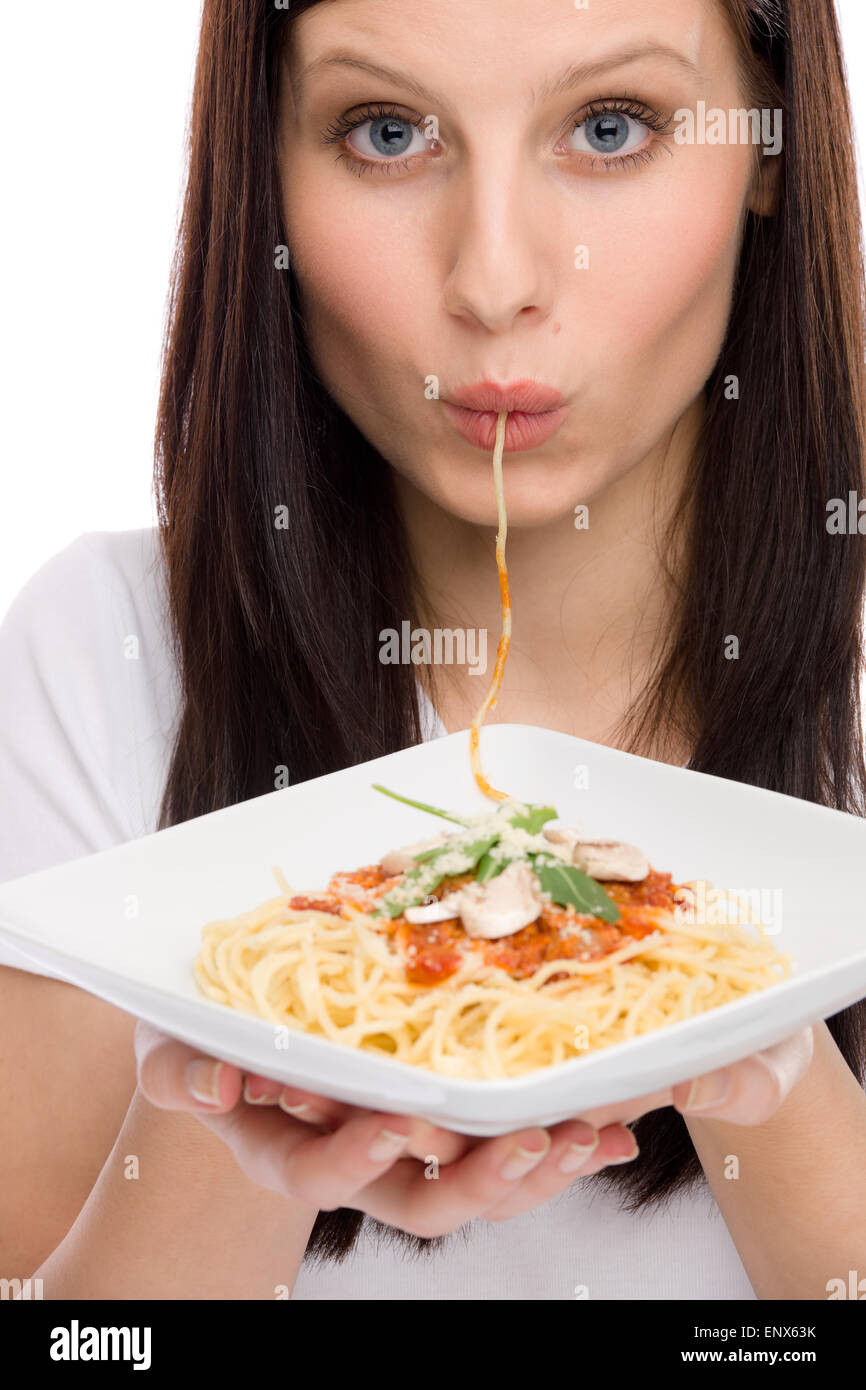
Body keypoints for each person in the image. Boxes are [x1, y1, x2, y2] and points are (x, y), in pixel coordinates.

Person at [1, 0, 865, 1300]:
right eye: (387, 131)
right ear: (267, 165)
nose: (494, 278)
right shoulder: (104, 655)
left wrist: (741, 1024)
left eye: (609, 126)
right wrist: (245, 1076)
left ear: (768, 145)